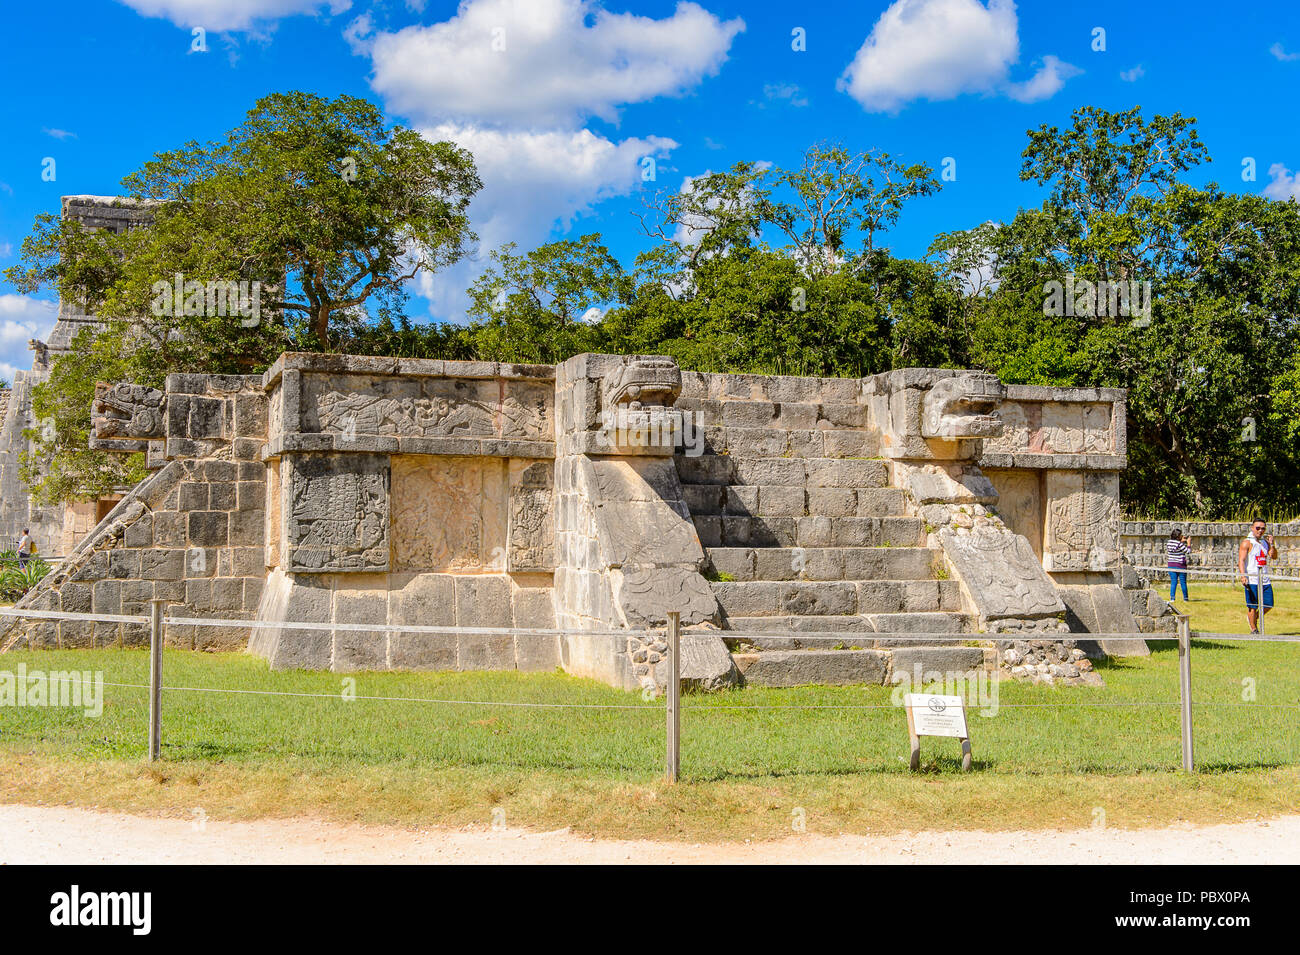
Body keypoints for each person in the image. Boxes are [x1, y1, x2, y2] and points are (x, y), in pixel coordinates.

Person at [1239, 518, 1278, 634]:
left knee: (1269, 604)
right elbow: (1241, 560)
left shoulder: (1265, 543)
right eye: (1258, 528)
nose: (1260, 530)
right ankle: (1254, 629)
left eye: (1263, 528)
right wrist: (1243, 575)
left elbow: (1273, 556)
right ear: (1252, 528)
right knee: (1253, 606)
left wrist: (1272, 544)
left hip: (1264, 578)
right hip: (1252, 579)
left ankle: (1253, 618)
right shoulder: (1247, 542)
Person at [1166, 528, 1192, 601]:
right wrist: (1188, 543)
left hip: (1171, 565)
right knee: (1183, 582)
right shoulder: (1180, 544)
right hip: (1180, 565)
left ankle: (1172, 598)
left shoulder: (1169, 543)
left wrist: (1181, 541)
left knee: (1173, 582)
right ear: (1178, 536)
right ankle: (1185, 598)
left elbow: (1175, 547)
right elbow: (1188, 551)